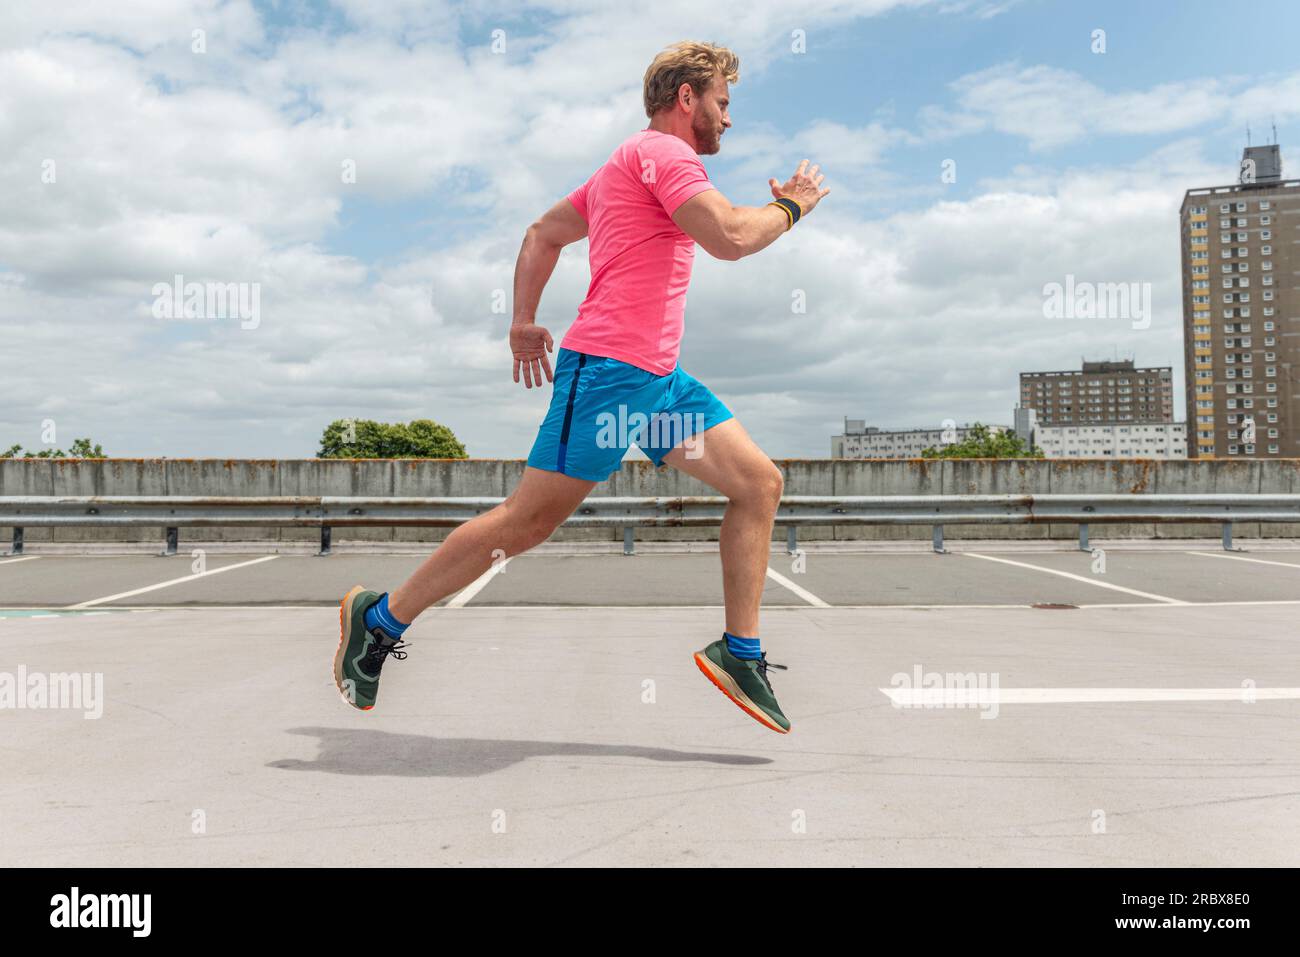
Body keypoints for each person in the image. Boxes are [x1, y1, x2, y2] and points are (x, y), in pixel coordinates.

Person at [334, 40, 829, 733]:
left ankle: (739, 652)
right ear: (686, 98)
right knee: (525, 524)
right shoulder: (663, 155)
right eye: (722, 102)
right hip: (606, 377)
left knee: (758, 483)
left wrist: (524, 321)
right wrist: (792, 208)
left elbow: (543, 233)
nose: (728, 118)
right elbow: (729, 236)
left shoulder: (619, 170)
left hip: (658, 385)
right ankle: (378, 619)